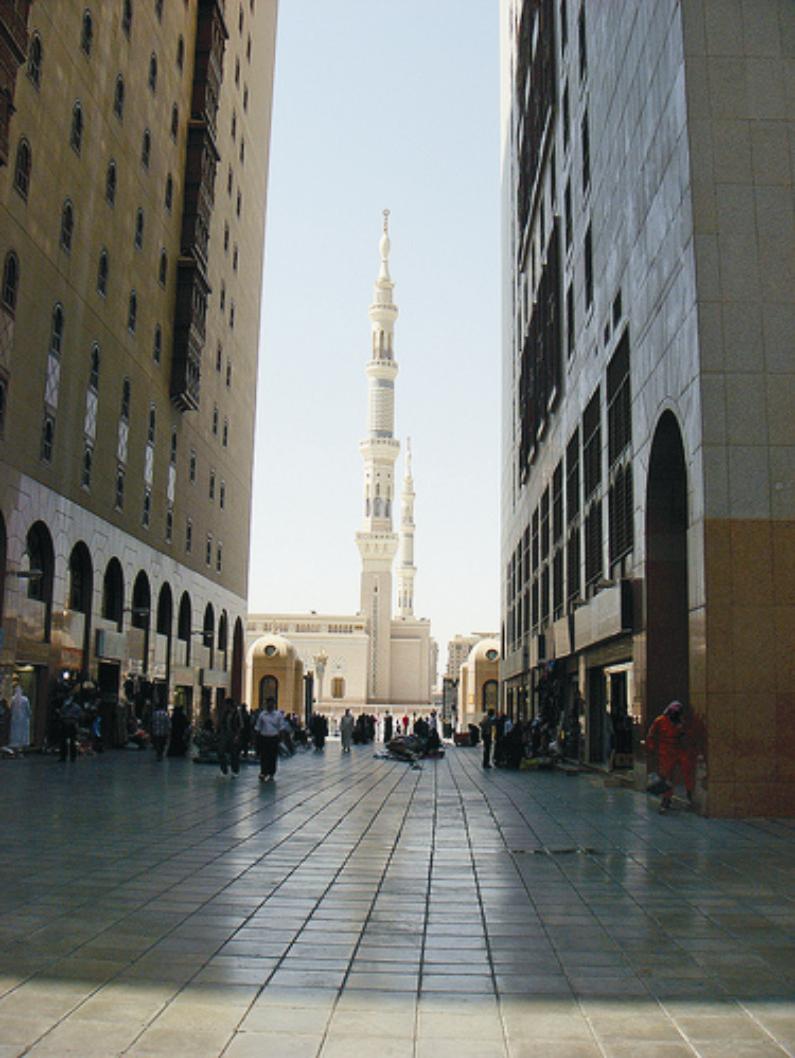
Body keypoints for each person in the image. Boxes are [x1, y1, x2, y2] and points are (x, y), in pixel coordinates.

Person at [645, 700, 694, 813]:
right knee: (666, 777)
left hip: (679, 750)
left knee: (687, 771)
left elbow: (687, 736)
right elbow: (651, 736)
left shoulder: (681, 723)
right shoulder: (660, 721)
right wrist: (652, 750)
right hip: (665, 752)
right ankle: (666, 800)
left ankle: (690, 793)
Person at [255, 698, 288, 781]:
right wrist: (256, 739)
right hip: (264, 737)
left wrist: (281, 739)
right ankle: (263, 772)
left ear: (274, 704)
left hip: (274, 738)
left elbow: (281, 728)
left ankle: (271, 773)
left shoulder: (278, 715)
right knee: (264, 756)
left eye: (271, 703)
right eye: (268, 703)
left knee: (272, 756)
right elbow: (258, 727)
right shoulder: (262, 715)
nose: (270, 705)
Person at [218, 697, 242, 776]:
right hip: (225, 734)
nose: (225, 706)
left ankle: (235, 770)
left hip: (234, 734)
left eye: (226, 704)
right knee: (221, 752)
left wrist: (237, 736)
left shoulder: (237, 713)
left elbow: (240, 725)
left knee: (234, 753)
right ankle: (224, 769)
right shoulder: (225, 713)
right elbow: (221, 723)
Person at [8, 682, 32, 756]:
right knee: (23, 733)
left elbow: (11, 709)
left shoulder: (12, 699)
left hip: (15, 719)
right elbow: (28, 710)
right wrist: (29, 716)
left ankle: (15, 747)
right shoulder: (25, 699)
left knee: (15, 733)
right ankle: (22, 748)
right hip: (24, 719)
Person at [59, 693, 82, 762]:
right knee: (63, 741)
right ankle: (63, 757)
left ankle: (73, 757)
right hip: (65, 724)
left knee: (73, 741)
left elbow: (78, 717)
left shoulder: (77, 707)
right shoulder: (64, 707)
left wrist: (71, 718)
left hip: (72, 725)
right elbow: (61, 714)